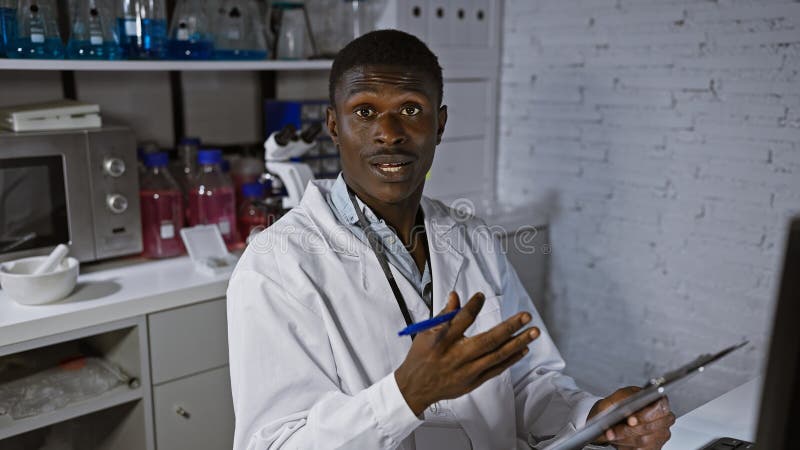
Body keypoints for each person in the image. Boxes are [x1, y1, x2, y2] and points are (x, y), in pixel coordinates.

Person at [226, 29, 675, 450]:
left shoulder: (472, 237)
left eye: (411, 109)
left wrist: (594, 417)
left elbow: (525, 382)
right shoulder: (276, 264)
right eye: (364, 112)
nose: (389, 132)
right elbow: (275, 443)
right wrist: (406, 395)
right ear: (332, 125)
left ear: (439, 125)